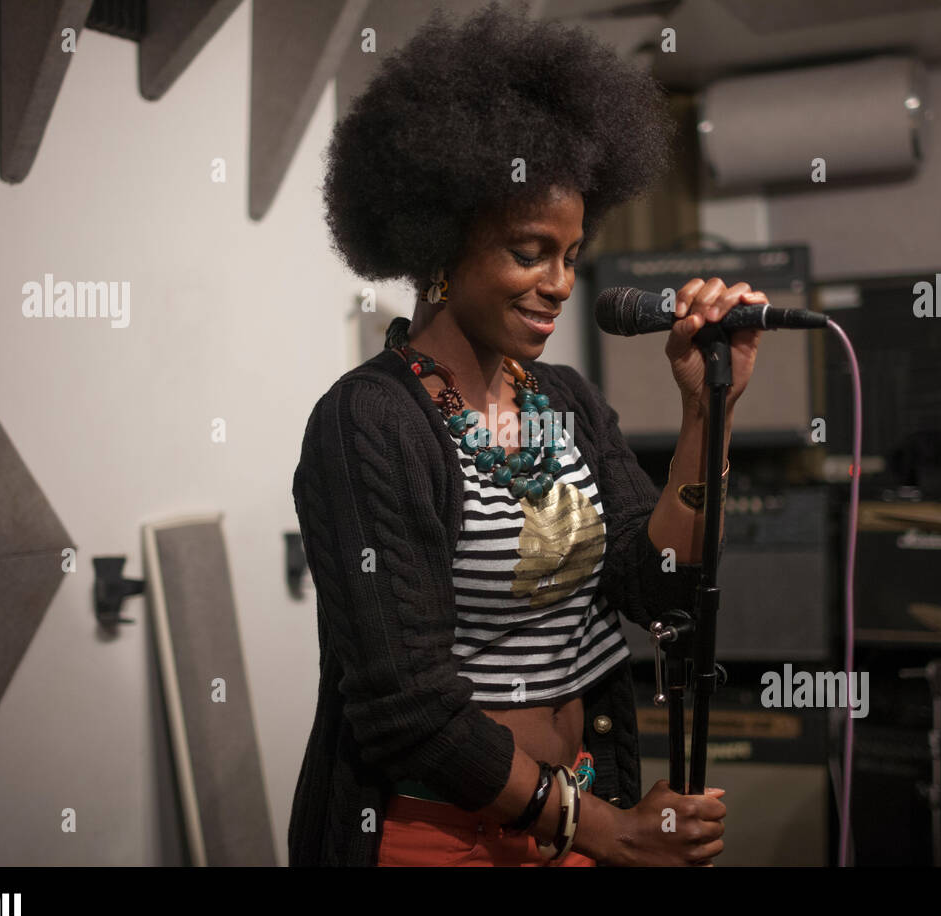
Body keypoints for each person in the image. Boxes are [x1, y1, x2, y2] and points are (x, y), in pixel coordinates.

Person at [289, 1, 764, 866]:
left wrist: (706, 414)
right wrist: (604, 828)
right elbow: (407, 705)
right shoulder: (369, 421)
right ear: (439, 244)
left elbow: (655, 589)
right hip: (436, 835)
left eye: (571, 255)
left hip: (581, 808)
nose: (558, 284)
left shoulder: (568, 402)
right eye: (527, 250)